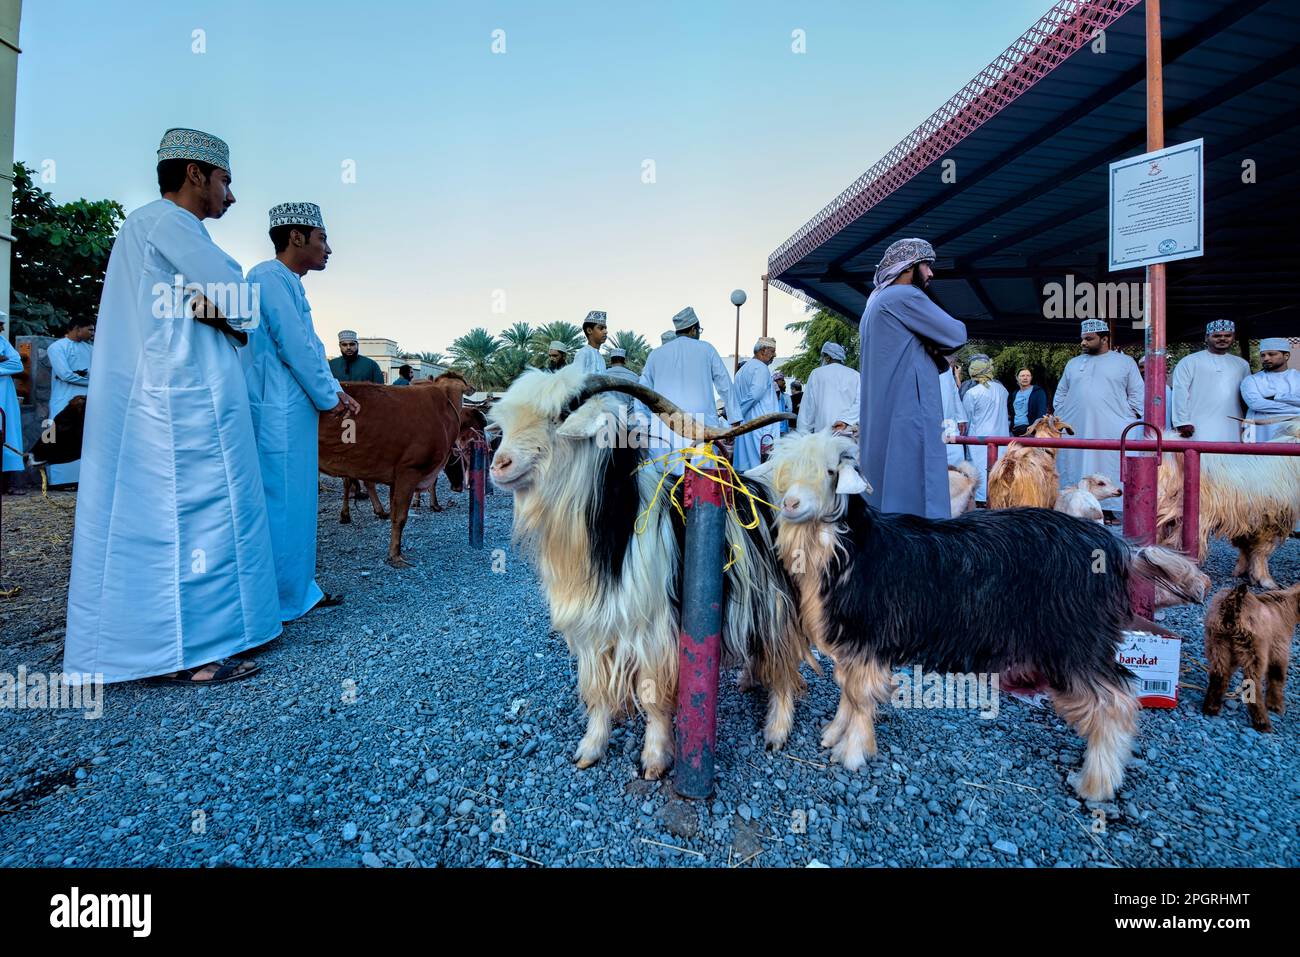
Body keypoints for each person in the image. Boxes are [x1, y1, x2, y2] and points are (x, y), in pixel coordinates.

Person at [64, 127, 278, 685]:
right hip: (177, 403)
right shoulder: (166, 223)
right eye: (225, 181)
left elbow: (228, 306)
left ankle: (193, 642)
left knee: (186, 519)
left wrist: (220, 310)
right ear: (195, 174)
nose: (230, 196)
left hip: (178, 396)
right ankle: (186, 654)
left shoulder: (154, 228)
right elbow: (240, 297)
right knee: (186, 520)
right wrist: (222, 309)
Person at [243, 201, 360, 623]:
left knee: (296, 501)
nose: (328, 249)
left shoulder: (286, 281)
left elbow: (309, 349)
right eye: (322, 239)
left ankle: (296, 591)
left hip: (291, 407)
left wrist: (333, 392)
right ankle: (276, 600)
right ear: (297, 237)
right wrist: (330, 397)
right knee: (283, 502)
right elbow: (294, 347)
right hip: (277, 409)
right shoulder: (267, 277)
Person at [858, 237, 967, 519]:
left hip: (884, 415)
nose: (931, 273)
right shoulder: (904, 295)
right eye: (926, 265)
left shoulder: (874, 303)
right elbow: (956, 334)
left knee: (884, 493)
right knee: (918, 496)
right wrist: (933, 345)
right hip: (909, 413)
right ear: (909, 267)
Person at [1052, 319, 1143, 516]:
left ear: (1104, 339)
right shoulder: (1073, 363)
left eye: (1089, 339)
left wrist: (1127, 416)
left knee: (1108, 463)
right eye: (1082, 339)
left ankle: (1109, 509)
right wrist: (1065, 415)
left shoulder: (1125, 362)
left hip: (1112, 427)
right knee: (1076, 466)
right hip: (1077, 427)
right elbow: (1060, 394)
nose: (1083, 343)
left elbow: (1137, 394)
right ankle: (1075, 505)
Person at [640, 306, 740, 471]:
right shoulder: (706, 349)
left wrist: (644, 425)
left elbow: (642, 393)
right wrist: (734, 420)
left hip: (665, 427)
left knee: (665, 480)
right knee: (701, 479)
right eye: (698, 329)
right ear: (693, 329)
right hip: (700, 426)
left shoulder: (655, 355)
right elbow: (725, 385)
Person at [1169, 320, 1249, 442]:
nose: (1222, 339)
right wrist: (1182, 422)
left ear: (1233, 337)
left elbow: (1246, 396)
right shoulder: (1189, 361)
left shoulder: (1242, 364)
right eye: (1217, 336)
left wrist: (1247, 423)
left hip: (1232, 425)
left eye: (1227, 335)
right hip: (1197, 424)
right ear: (1207, 337)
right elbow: (1180, 392)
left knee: (1231, 458)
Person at [46, 316, 95, 486]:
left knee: (82, 436)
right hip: (63, 399)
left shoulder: (91, 349)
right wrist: (92, 380)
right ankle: (59, 480)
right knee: (59, 435)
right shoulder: (57, 347)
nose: (92, 333)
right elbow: (64, 374)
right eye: (89, 329)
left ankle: (80, 479)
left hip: (85, 400)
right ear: (77, 328)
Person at [961, 356, 1010, 503]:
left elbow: (965, 420)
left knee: (980, 474)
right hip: (1001, 439)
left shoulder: (972, 393)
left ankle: (982, 503)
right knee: (998, 473)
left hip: (979, 441)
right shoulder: (1003, 390)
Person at [732, 336, 780, 470]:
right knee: (760, 468)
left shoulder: (742, 370)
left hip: (747, 425)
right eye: (772, 351)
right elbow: (755, 395)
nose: (774, 355)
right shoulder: (761, 368)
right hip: (760, 426)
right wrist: (738, 414)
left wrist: (737, 415)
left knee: (746, 465)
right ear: (763, 351)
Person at [1240, 337, 1300, 442]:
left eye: (1272, 354)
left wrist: (1276, 397)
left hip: (1294, 431)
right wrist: (1296, 409)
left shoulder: (1298, 377)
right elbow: (1256, 404)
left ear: (1286, 356)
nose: (1266, 358)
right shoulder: (1251, 380)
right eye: (1263, 355)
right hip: (1261, 431)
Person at [796, 342, 860, 434]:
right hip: (847, 433)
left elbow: (808, 408)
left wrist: (803, 433)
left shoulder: (816, 374)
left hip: (823, 436)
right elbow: (860, 403)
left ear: (827, 357)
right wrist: (845, 420)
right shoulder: (855, 375)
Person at [1, 317, 24, 495]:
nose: (2, 329)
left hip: (5, 394)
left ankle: (6, 484)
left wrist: (5, 360)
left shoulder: (3, 342)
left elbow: (17, 364)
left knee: (7, 433)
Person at [940, 355, 968, 466]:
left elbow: (954, 395)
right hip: (927, 424)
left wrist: (961, 418)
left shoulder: (947, 373)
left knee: (954, 463)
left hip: (948, 424)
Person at [1138, 354, 1174, 431]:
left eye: (1147, 367)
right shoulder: (1137, 388)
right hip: (1140, 431)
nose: (1144, 370)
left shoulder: (1165, 389)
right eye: (1141, 367)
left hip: (1163, 431)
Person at [1009, 368, 1048, 436]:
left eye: (1028, 375)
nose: (1025, 378)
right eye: (1022, 376)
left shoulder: (1038, 392)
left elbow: (1042, 412)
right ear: (1017, 378)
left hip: (1030, 430)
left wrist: (1035, 427)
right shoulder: (1015, 394)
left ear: (1031, 378)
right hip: (1015, 430)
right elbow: (1012, 412)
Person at [574, 311, 607, 376]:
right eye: (601, 328)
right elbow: (576, 381)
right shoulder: (583, 353)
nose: (605, 331)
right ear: (589, 330)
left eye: (605, 328)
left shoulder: (601, 359)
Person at [772, 371, 792, 435]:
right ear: (776, 381)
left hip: (782, 427)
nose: (784, 382)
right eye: (782, 380)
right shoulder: (775, 394)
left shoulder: (781, 395)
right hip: (779, 428)